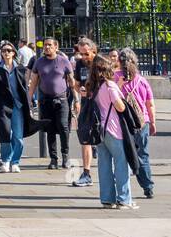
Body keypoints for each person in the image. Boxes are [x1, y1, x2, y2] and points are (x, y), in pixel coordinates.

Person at [85, 53, 135, 209]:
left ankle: (107, 199)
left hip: (99, 130)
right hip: (114, 129)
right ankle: (124, 199)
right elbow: (119, 106)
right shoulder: (109, 85)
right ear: (106, 69)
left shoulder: (92, 86)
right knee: (121, 164)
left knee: (104, 165)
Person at [0, 40, 42, 171]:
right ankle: (6, 160)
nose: (6, 53)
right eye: (3, 51)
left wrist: (29, 106)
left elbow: (25, 89)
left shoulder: (20, 69)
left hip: (18, 106)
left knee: (18, 137)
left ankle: (15, 162)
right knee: (5, 134)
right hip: (3, 106)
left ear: (14, 53)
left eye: (9, 50)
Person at [28, 37, 75, 170]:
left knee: (63, 127)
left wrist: (76, 99)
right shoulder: (39, 62)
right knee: (49, 130)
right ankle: (53, 159)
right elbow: (33, 83)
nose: (47, 47)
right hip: (45, 100)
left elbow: (71, 82)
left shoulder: (64, 61)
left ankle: (65, 155)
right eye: (45, 45)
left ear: (56, 47)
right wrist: (29, 100)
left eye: (49, 45)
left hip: (61, 100)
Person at [117, 48, 156, 199]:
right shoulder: (142, 80)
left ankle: (123, 189)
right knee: (143, 155)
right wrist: (152, 122)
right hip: (141, 122)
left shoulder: (115, 78)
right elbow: (150, 104)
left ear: (119, 62)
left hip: (123, 122)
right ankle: (148, 187)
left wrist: (120, 85)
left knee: (123, 155)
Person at [72, 37, 97, 188]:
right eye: (81, 54)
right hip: (86, 104)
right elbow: (75, 84)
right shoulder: (79, 64)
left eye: (86, 54)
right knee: (84, 137)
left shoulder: (100, 62)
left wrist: (92, 91)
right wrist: (80, 90)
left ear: (93, 50)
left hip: (101, 105)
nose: (84, 57)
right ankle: (86, 173)